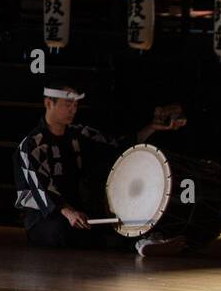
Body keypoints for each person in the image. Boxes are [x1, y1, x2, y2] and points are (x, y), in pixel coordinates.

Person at [14, 81, 186, 256]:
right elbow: (41, 187)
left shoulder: (78, 133)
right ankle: (137, 243)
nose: (73, 110)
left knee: (107, 220)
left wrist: (152, 128)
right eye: (67, 105)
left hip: (78, 212)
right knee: (63, 231)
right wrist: (69, 212)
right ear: (48, 103)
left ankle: (145, 241)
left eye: (75, 105)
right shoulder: (31, 145)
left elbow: (117, 145)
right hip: (43, 218)